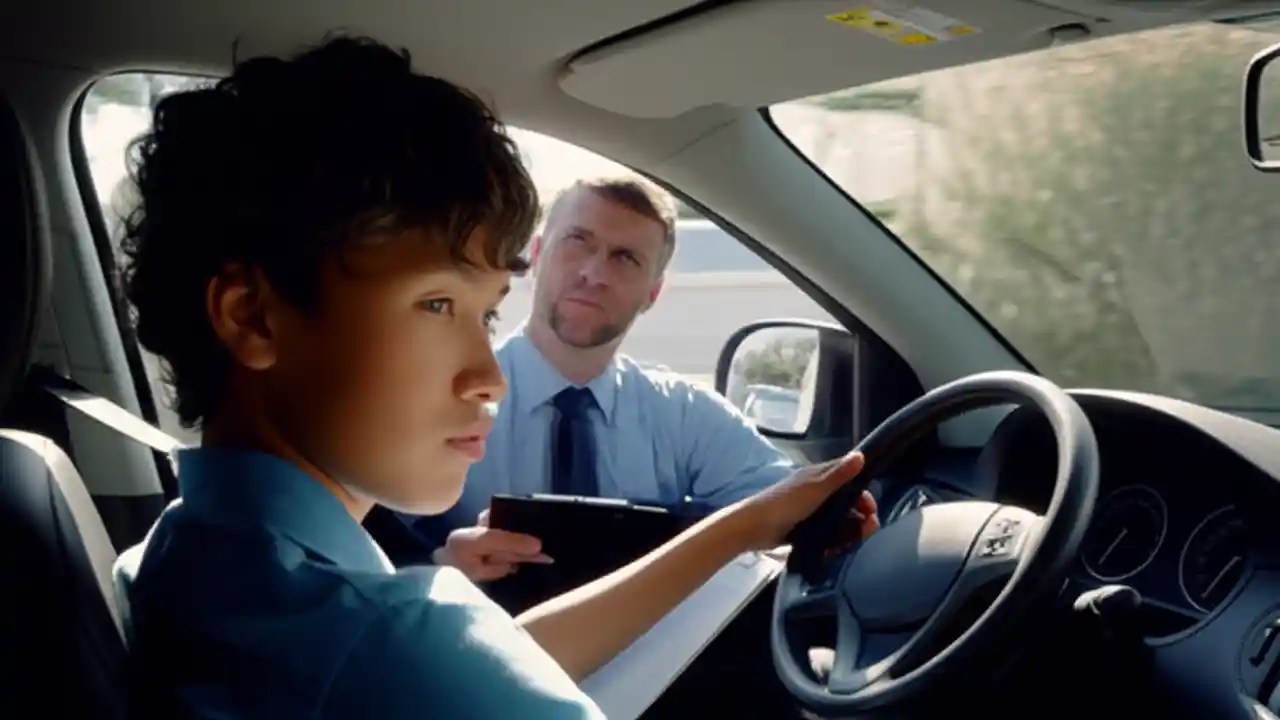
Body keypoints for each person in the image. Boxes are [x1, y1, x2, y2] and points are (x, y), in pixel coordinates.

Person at [112, 35, 879, 719]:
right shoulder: (387, 647)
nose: (491, 378)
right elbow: (424, 660)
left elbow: (488, 657)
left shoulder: (191, 551)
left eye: (484, 315)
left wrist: (744, 527)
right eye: (437, 303)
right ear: (254, 318)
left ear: (651, 290)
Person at [409, 176, 804, 582]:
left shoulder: (681, 414)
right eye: (578, 241)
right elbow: (361, 545)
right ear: (538, 253)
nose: (594, 273)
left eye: (625, 258)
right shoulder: (443, 394)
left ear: (653, 292)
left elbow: (786, 501)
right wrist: (438, 566)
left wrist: (833, 514)